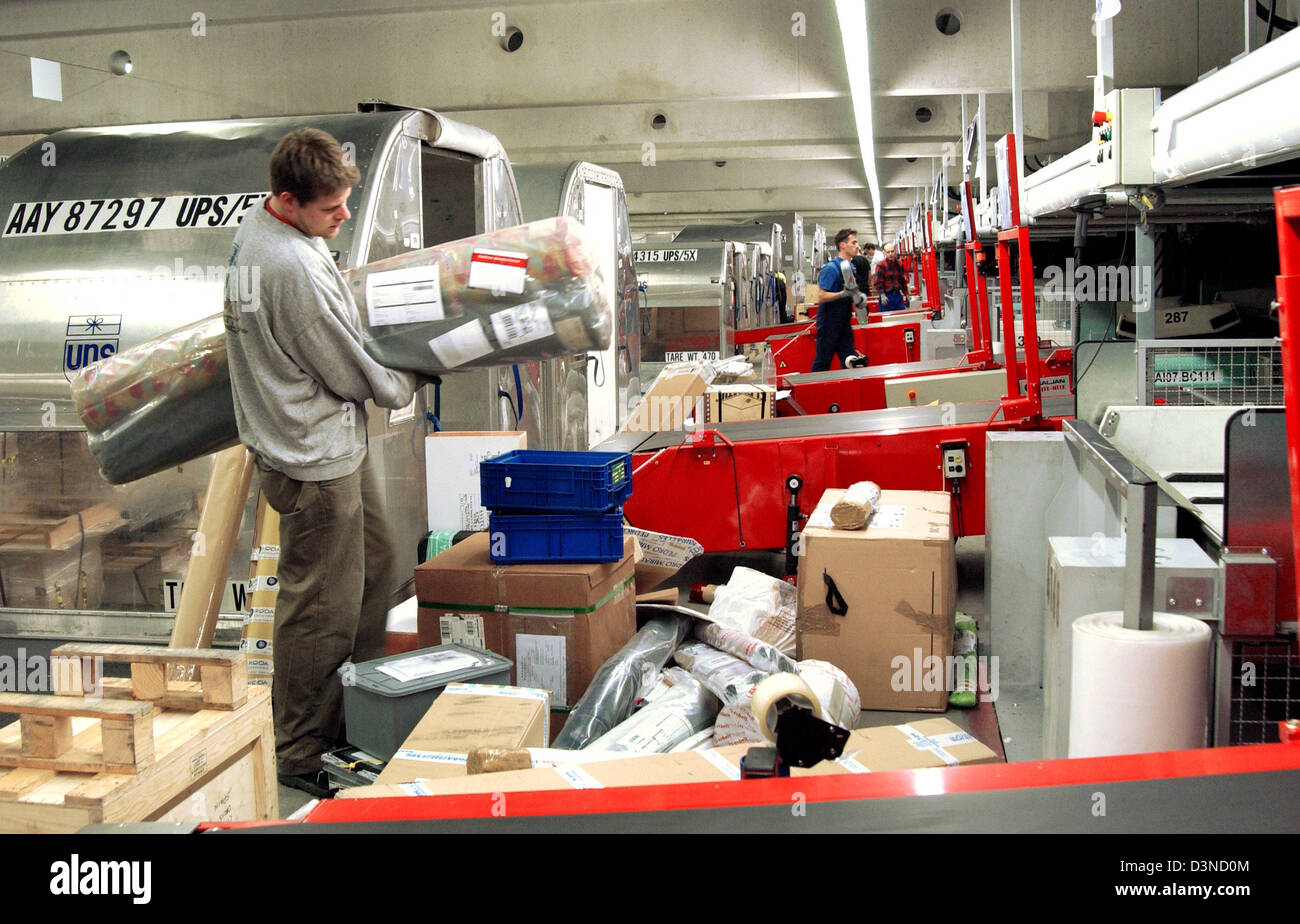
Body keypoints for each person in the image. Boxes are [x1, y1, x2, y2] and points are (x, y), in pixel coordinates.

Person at [222, 128, 424, 798]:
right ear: (288, 199)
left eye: (345, 203)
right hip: (311, 461)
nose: (342, 218)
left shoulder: (262, 231)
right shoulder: (292, 269)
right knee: (320, 611)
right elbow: (351, 369)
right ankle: (302, 751)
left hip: (330, 446)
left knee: (383, 562)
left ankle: (354, 712)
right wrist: (412, 377)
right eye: (330, 209)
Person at [812, 228, 868, 371]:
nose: (857, 246)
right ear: (843, 245)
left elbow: (852, 292)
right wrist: (842, 294)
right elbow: (821, 296)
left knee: (851, 363)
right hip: (829, 325)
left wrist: (859, 299)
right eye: (854, 242)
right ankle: (814, 392)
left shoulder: (851, 267)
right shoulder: (831, 269)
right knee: (822, 364)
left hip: (844, 323)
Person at [874, 243, 910, 312]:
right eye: (888, 252)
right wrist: (882, 295)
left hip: (898, 296)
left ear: (895, 251)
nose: (890, 254)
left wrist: (906, 294)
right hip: (887, 297)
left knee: (901, 317)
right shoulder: (881, 265)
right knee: (887, 320)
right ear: (884, 253)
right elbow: (878, 282)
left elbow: (902, 280)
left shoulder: (899, 264)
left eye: (892, 251)